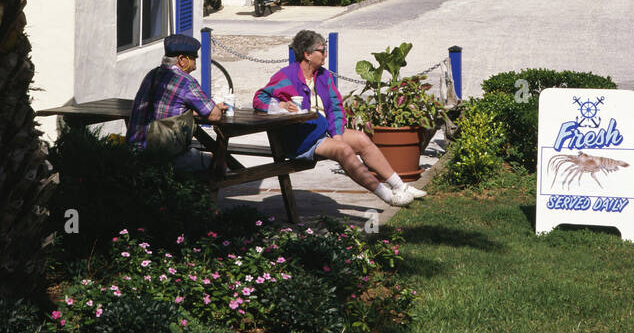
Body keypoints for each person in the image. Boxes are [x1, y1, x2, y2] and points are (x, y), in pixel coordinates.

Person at [253, 30, 426, 207]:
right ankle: (388, 196)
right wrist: (281, 106)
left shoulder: (324, 76)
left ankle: (400, 187)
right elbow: (259, 98)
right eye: (321, 50)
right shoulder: (286, 76)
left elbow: (335, 108)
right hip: (303, 138)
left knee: (361, 139)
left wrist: (336, 133)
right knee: (343, 150)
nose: (325, 54)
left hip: (322, 131)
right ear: (307, 54)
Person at [127, 34, 228, 174]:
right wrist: (217, 107)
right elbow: (214, 116)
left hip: (134, 153)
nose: (195, 66)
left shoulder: (151, 75)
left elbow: (170, 108)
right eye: (193, 59)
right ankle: (204, 195)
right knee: (218, 163)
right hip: (164, 157)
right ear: (182, 60)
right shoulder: (185, 81)